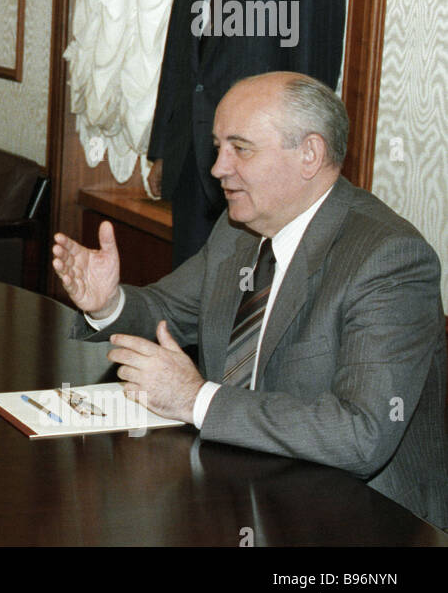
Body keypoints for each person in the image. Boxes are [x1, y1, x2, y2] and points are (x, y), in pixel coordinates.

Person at [54, 72, 447, 529]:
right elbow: (168, 315)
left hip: (362, 523)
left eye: (240, 148)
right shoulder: (237, 231)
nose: (219, 168)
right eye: (219, 147)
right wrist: (109, 304)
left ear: (310, 154)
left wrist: (195, 398)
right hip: (243, 490)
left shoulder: (388, 259)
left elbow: (362, 433)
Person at [147, 0, 346, 266]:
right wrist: (163, 147)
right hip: (191, 161)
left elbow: (311, 76)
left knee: (247, 297)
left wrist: (295, 162)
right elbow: (180, 59)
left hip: (262, 166)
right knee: (190, 291)